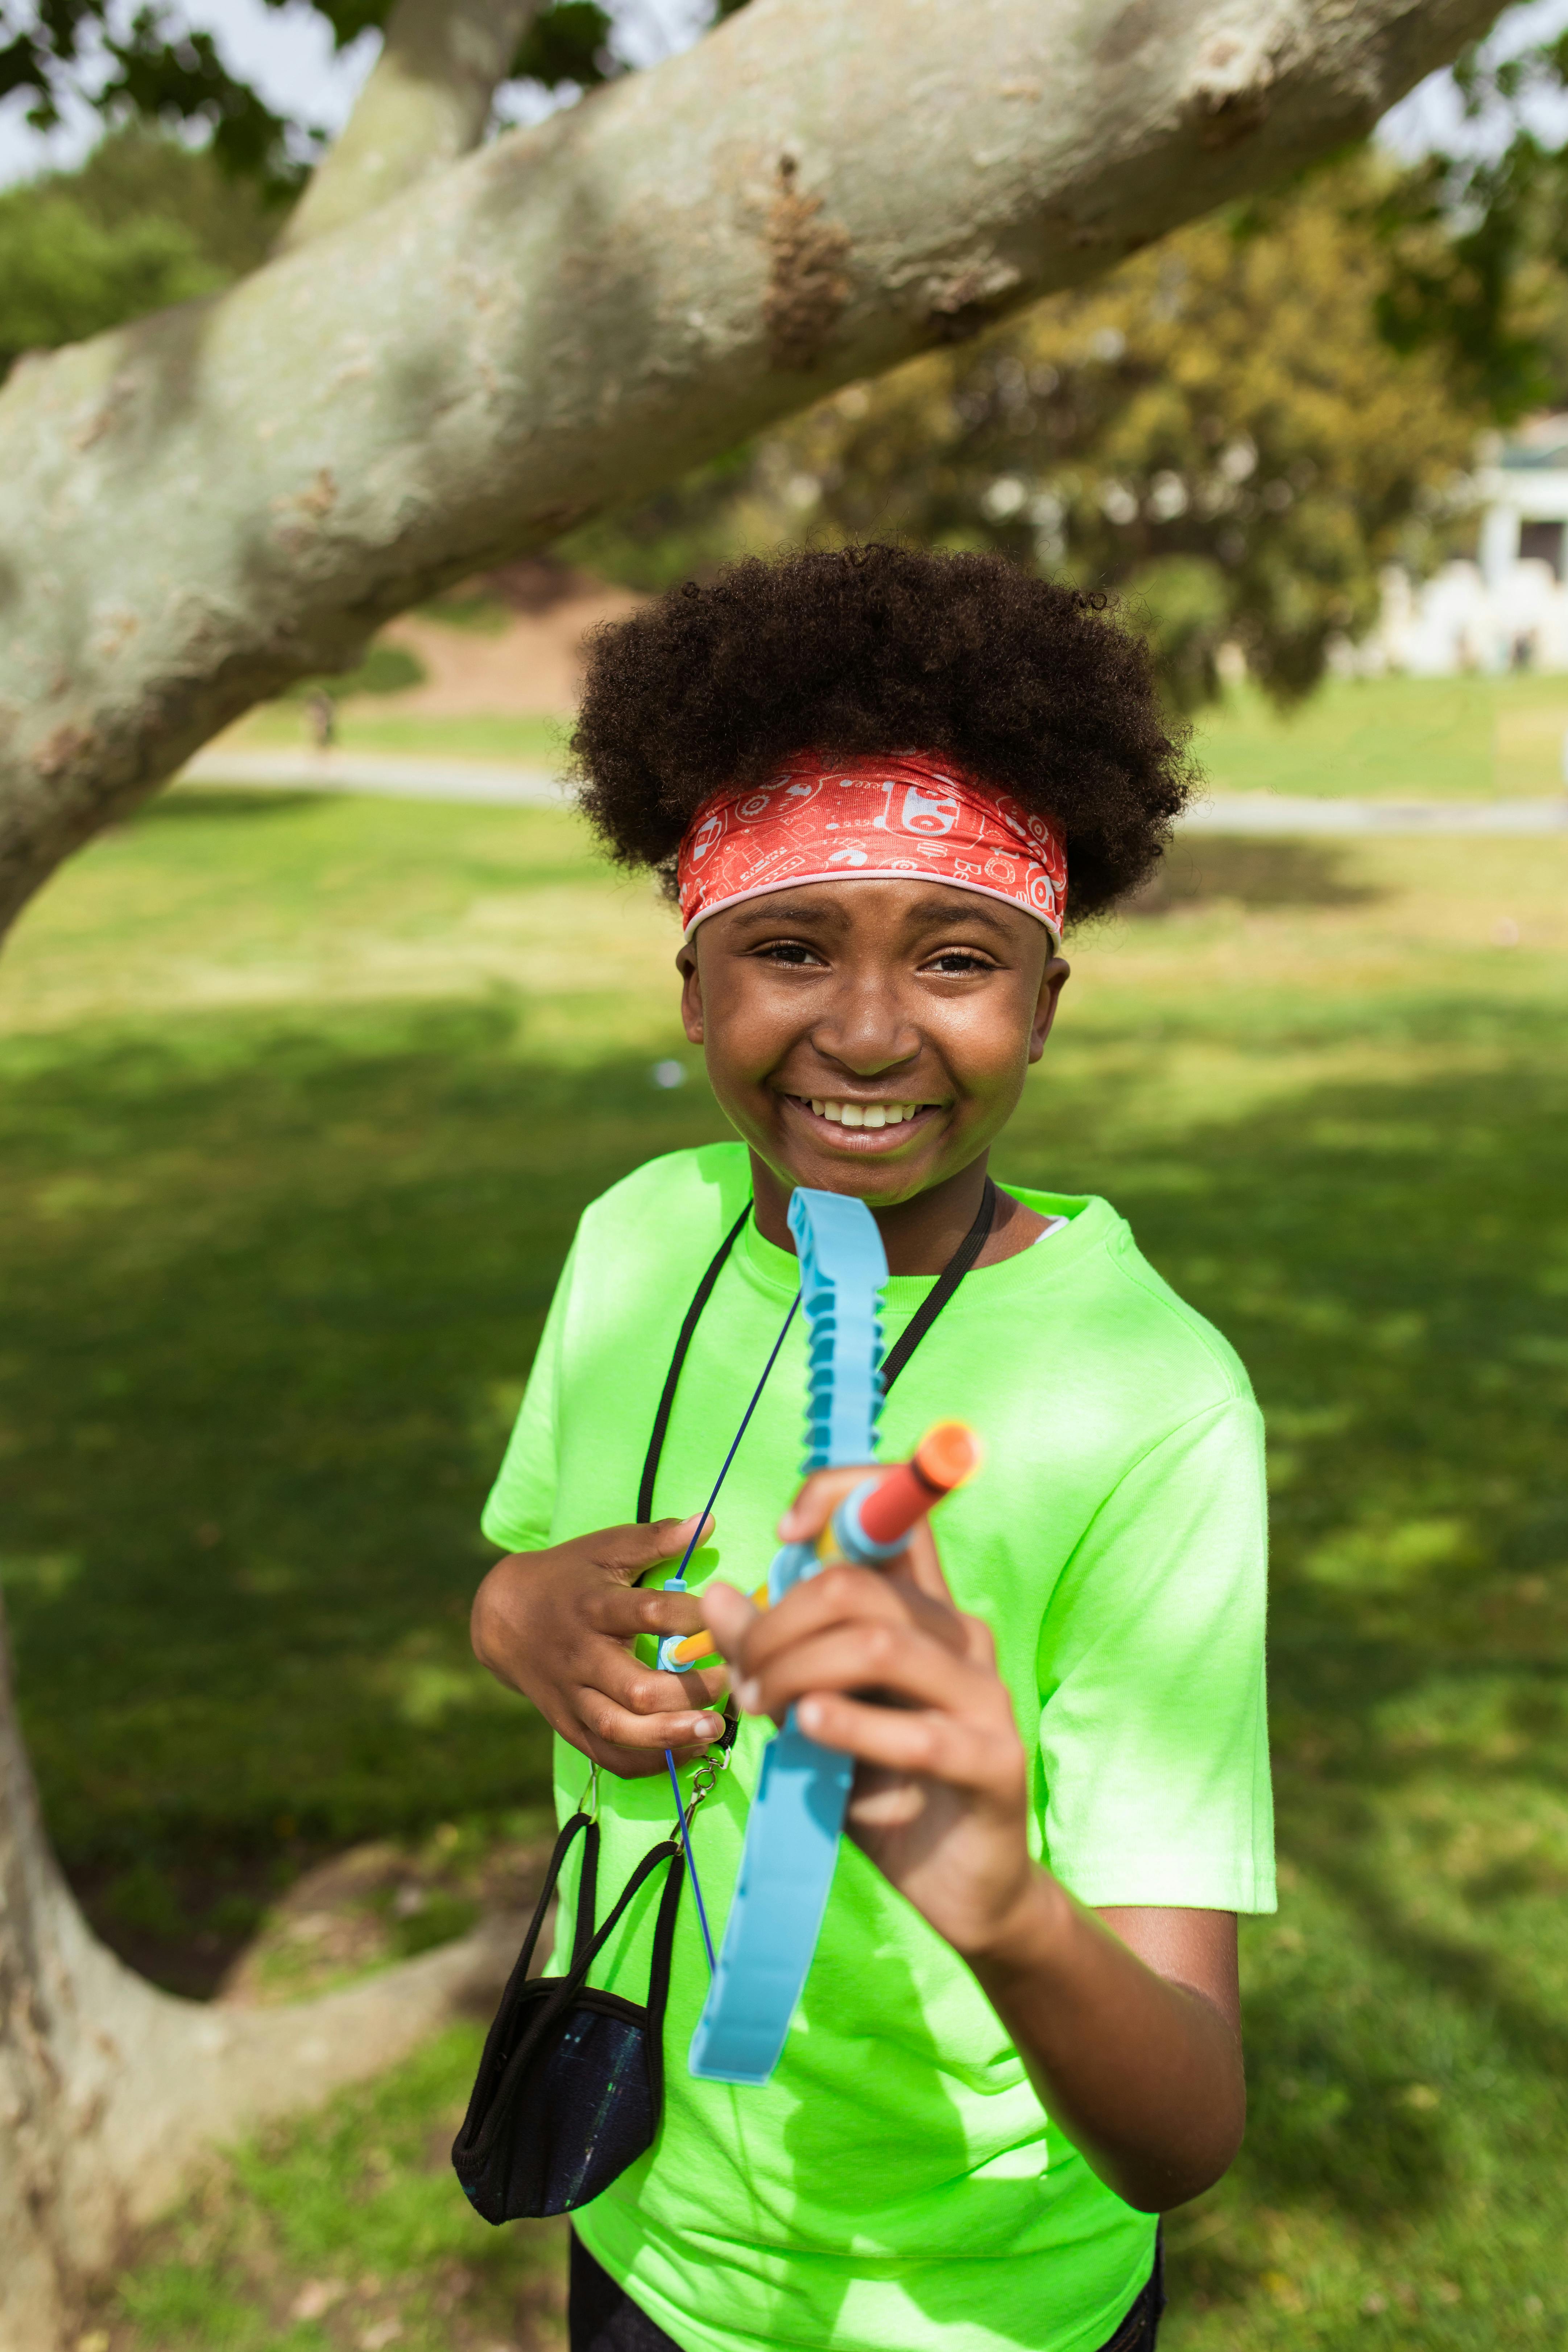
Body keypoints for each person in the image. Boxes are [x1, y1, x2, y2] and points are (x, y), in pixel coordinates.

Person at [471, 545, 1275, 2352]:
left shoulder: (1148, 1399)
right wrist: (509, 1616)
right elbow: (535, 1572)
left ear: (1044, 1003)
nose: (860, 1026)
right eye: (785, 945)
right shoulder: (633, 1240)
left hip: (979, 2305)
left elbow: (1184, 2125)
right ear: (690, 985)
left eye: (956, 956)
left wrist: (997, 1895)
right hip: (644, 2219)